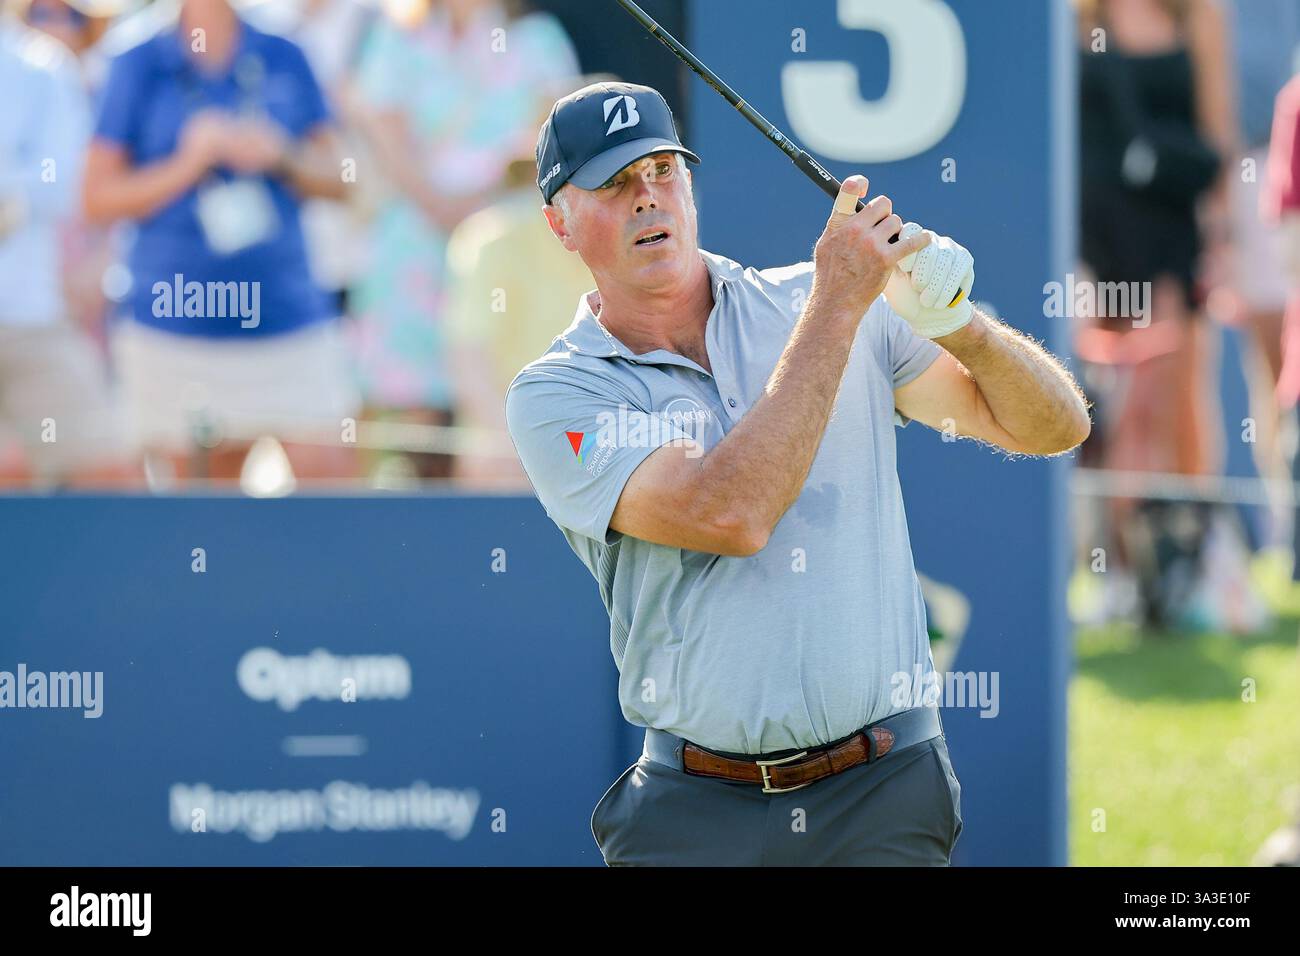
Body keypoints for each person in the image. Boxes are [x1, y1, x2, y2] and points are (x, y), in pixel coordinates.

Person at [505, 82, 1091, 866]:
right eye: (615, 184)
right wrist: (841, 305)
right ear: (560, 223)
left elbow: (1054, 426)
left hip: (880, 789)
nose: (648, 199)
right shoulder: (559, 394)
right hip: (691, 809)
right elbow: (732, 515)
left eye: (662, 171)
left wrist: (963, 325)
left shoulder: (822, 303)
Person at [83, 0, 359, 485]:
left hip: (287, 319)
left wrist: (281, 155)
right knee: (206, 519)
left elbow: (344, 179)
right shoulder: (135, 58)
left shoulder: (284, 51)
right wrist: (187, 164)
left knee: (329, 491)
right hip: (176, 328)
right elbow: (97, 198)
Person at [348, 0, 578, 481]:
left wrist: (481, 201)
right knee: (413, 415)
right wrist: (439, 205)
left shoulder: (539, 39)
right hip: (413, 242)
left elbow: (554, 132)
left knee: (491, 398)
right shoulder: (397, 36)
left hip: (506, 234)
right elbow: (384, 133)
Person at [1074, 0, 1238, 626]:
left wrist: (1218, 237)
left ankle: (1189, 565)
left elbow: (1216, 131)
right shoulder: (1077, 19)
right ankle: (1118, 575)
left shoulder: (1198, 14)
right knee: (1115, 417)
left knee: (1168, 404)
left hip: (1170, 234)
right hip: (1100, 241)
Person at [0, 10, 138, 488]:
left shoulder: (42, 66)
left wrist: (11, 200)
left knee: (110, 477)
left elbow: (65, 184)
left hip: (31, 320)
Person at [445, 89, 601, 489]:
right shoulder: (490, 240)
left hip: (606, 449)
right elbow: (470, 364)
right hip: (510, 452)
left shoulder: (646, 239)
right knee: (491, 461)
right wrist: (525, 446)